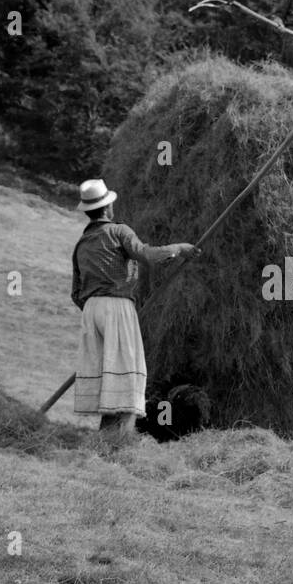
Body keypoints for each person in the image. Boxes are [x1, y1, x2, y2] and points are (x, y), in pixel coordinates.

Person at [71, 178, 199, 434]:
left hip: (90, 310)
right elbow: (148, 255)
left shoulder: (82, 244)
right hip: (115, 306)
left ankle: (106, 437)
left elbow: (76, 293)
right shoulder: (118, 231)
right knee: (130, 374)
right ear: (107, 208)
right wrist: (180, 248)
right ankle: (123, 441)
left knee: (110, 377)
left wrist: (96, 310)